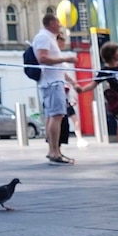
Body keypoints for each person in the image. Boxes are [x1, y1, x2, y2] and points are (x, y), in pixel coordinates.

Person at [32, 13, 78, 165]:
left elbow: (56, 66)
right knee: (56, 115)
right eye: (58, 23)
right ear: (51, 23)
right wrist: (66, 58)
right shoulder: (44, 37)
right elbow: (42, 59)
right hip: (51, 83)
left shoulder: (49, 38)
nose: (60, 25)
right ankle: (54, 152)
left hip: (54, 81)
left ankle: (54, 151)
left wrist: (71, 82)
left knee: (55, 116)